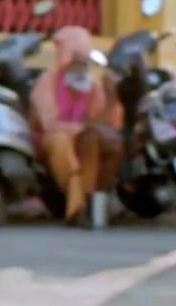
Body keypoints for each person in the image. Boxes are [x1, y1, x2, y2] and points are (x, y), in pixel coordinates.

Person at [29, 26, 121, 226]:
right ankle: (78, 207)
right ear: (65, 60)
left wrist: (111, 99)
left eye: (85, 63)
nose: (82, 68)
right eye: (77, 62)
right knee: (60, 141)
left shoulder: (92, 86)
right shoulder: (48, 81)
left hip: (80, 140)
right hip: (50, 140)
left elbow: (103, 124)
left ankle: (87, 203)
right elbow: (49, 125)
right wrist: (82, 128)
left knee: (95, 140)